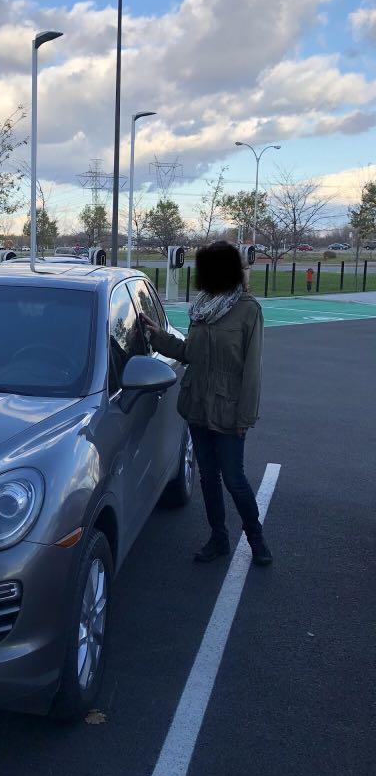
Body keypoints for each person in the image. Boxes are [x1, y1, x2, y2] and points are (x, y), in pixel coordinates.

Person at [140, 241, 272, 566]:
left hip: (229, 410)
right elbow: (190, 353)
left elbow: (252, 370)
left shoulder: (248, 309)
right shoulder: (201, 306)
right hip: (197, 404)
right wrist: (157, 335)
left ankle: (256, 538)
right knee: (208, 477)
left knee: (234, 478)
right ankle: (218, 538)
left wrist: (245, 416)